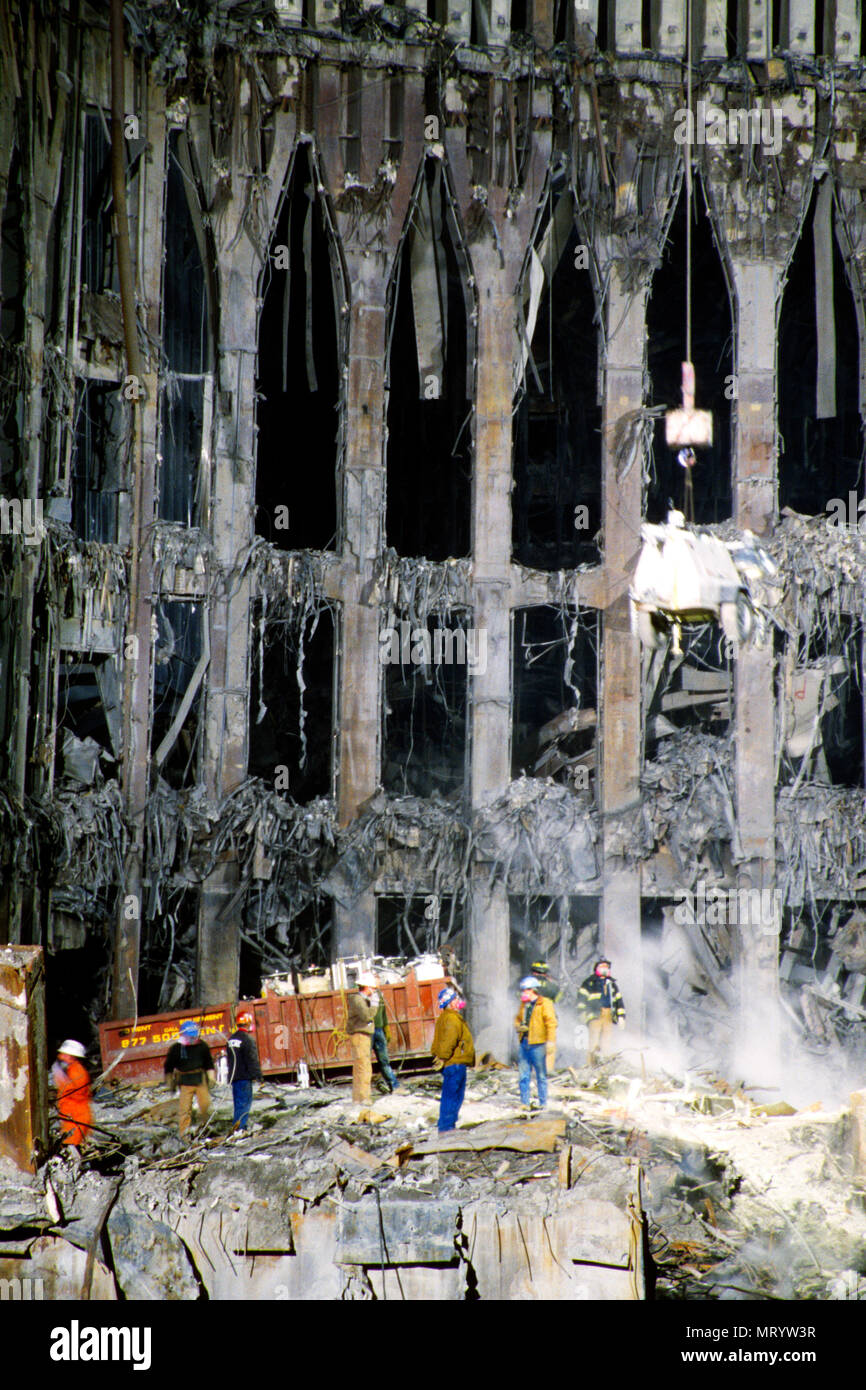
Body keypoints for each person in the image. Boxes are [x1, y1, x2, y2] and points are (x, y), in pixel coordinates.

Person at [431, 986, 474, 1133]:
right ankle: (447, 1128)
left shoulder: (447, 1017)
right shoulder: (452, 1018)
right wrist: (442, 1057)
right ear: (450, 1003)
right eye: (455, 999)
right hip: (454, 1063)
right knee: (452, 1097)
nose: (458, 1001)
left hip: (454, 1062)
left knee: (452, 1096)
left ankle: (448, 1125)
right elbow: (449, 1040)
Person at [164, 1020, 215, 1136]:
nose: (192, 1039)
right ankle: (184, 1133)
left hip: (200, 1079)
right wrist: (170, 1082)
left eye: (194, 1037)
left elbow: (209, 1064)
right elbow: (169, 1067)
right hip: (185, 1081)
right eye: (190, 1037)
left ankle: (206, 1128)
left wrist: (211, 1078)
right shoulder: (176, 1049)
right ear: (183, 1035)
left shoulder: (202, 1046)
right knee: (185, 1109)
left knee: (205, 1105)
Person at [514, 977, 557, 1110]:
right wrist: (518, 1027)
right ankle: (524, 1103)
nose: (523, 992)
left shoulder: (545, 1004)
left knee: (541, 1075)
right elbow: (517, 1019)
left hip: (538, 1044)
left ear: (533, 990)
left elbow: (551, 1023)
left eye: (525, 990)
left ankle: (543, 1103)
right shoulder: (524, 1004)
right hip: (524, 1043)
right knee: (523, 1075)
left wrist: (550, 1042)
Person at [577, 958, 626, 1064]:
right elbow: (581, 1000)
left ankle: (604, 1066)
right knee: (593, 1043)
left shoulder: (611, 984)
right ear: (596, 968)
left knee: (606, 1043)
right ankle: (591, 1065)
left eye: (606, 967)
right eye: (602, 966)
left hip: (608, 1015)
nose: (605, 969)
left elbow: (618, 1001)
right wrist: (583, 1015)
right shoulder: (589, 982)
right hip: (595, 1015)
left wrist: (621, 1017)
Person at [51, 1040, 92, 1149]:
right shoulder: (71, 1069)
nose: (61, 1057)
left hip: (76, 1113)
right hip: (73, 1112)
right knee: (71, 1143)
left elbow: (72, 1091)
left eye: (65, 1055)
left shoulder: (76, 1071)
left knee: (72, 1144)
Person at [226, 1010, 261, 1134]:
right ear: (247, 1024)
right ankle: (241, 1129)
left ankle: (236, 1128)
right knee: (244, 1104)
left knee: (238, 1104)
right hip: (244, 1077)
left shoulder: (231, 1039)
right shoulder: (247, 1040)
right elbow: (252, 1059)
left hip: (234, 1077)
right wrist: (258, 1076)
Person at [346, 973, 379, 1104]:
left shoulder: (360, 1000)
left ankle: (357, 1098)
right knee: (364, 1067)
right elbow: (367, 1016)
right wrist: (375, 1004)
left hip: (361, 1037)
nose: (375, 991)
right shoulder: (358, 1000)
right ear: (367, 987)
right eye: (373, 988)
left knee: (360, 1067)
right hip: (360, 1037)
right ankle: (364, 1098)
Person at [530, 961, 561, 1071]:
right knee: (550, 1042)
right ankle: (548, 1069)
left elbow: (515, 994)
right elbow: (558, 998)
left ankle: (534, 1069)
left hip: (532, 1016)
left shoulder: (527, 984)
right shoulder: (551, 985)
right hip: (548, 1016)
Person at [372, 989, 400, 1094]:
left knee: (384, 1060)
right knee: (364, 1064)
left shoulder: (379, 995)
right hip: (367, 1031)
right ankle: (362, 1093)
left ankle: (394, 1085)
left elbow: (383, 1014)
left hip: (378, 1030)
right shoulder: (362, 997)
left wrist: (386, 1028)